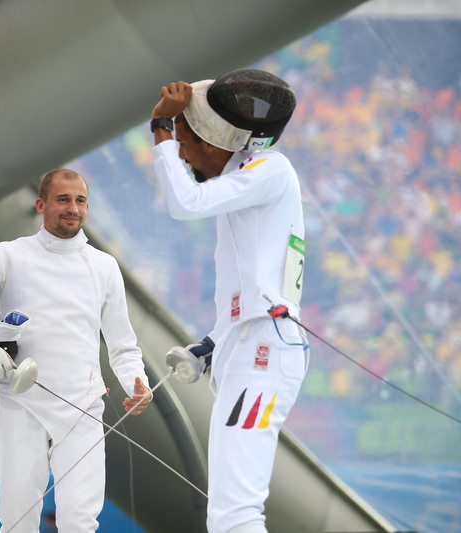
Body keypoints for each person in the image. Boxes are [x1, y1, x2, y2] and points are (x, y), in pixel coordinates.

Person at [0, 169, 152, 533]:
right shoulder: (7, 257)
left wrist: (136, 382)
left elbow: (123, 347)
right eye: (63, 199)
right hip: (19, 404)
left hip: (82, 407)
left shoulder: (104, 267)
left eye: (79, 200)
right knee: (17, 522)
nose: (72, 208)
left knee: (80, 522)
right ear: (41, 205)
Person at [150, 69, 309, 533]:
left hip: (265, 349)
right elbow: (250, 289)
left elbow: (185, 204)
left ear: (219, 141)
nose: (180, 151)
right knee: (225, 514)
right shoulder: (244, 184)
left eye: (186, 140)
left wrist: (161, 125)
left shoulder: (268, 169)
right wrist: (212, 344)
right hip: (249, 347)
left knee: (235, 514)